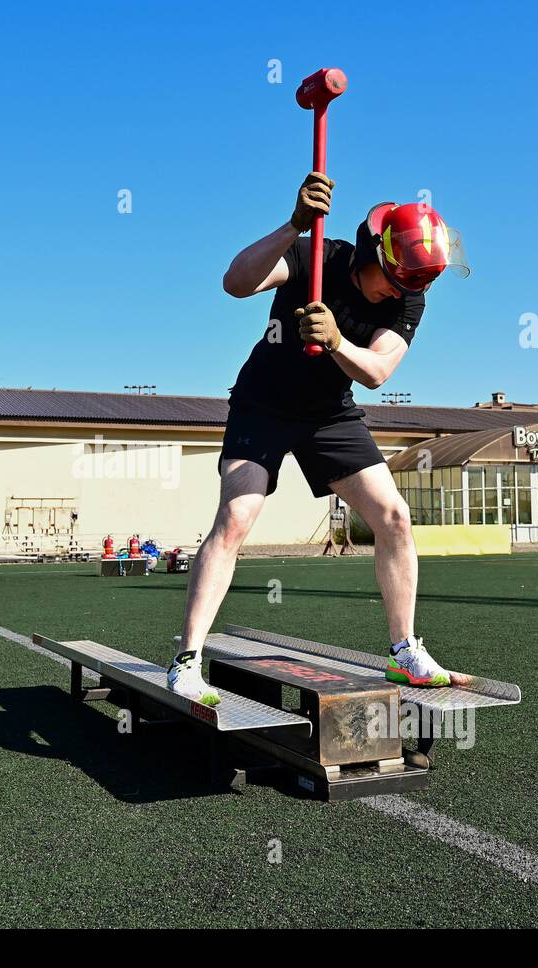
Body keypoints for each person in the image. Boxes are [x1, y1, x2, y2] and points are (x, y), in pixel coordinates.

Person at [166, 172, 468, 705]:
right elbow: (234, 283)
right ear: (372, 251)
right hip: (262, 407)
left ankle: (405, 653)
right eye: (390, 282)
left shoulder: (408, 298)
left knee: (394, 517)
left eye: (407, 288)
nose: (394, 294)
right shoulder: (317, 257)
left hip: (330, 416)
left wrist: (335, 341)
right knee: (235, 518)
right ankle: (187, 661)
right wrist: (293, 225)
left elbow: (375, 371)